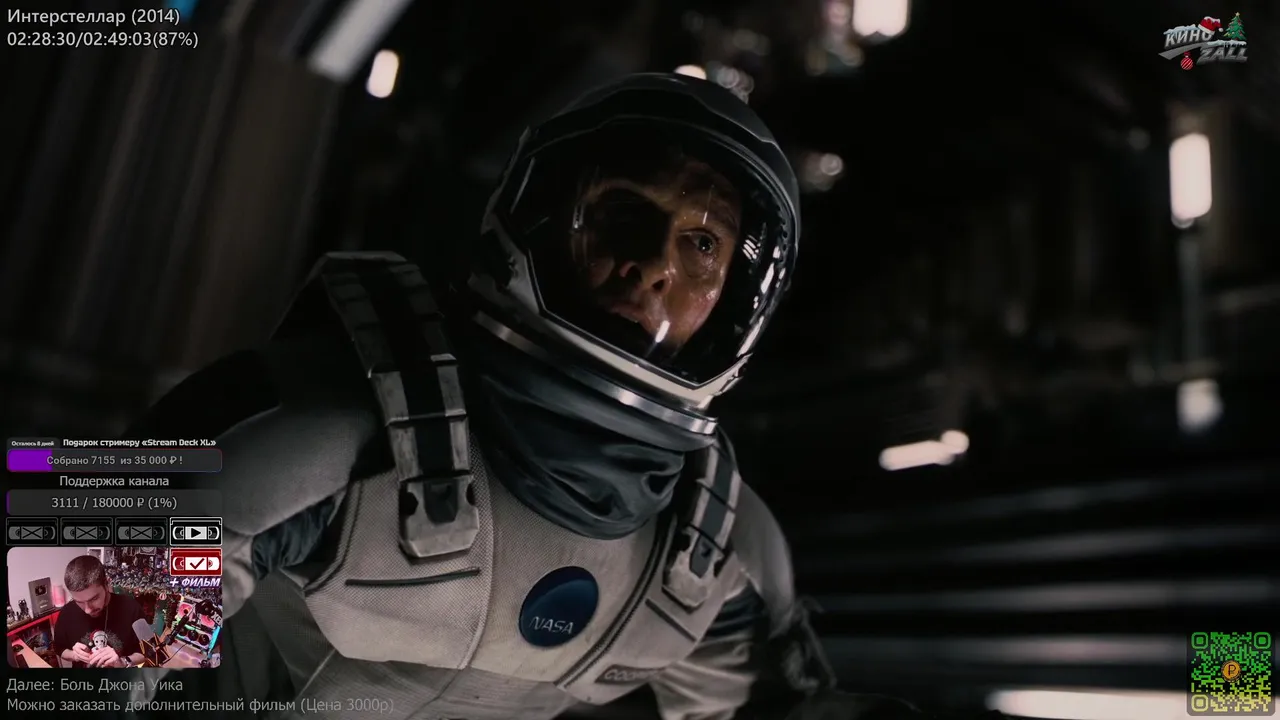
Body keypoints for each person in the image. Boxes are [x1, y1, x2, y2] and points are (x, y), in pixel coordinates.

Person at [123, 74, 1000, 719]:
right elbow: (63, 658)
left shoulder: (720, 552)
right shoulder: (288, 427)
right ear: (538, 218)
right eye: (622, 211)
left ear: (738, 300)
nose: (653, 264)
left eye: (702, 244)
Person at [53, 555, 145, 669]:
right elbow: (59, 649)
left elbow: (149, 651)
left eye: (94, 599)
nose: (87, 610)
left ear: (106, 584)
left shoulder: (132, 608)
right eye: (79, 602)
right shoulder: (67, 613)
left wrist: (123, 662)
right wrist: (74, 655)